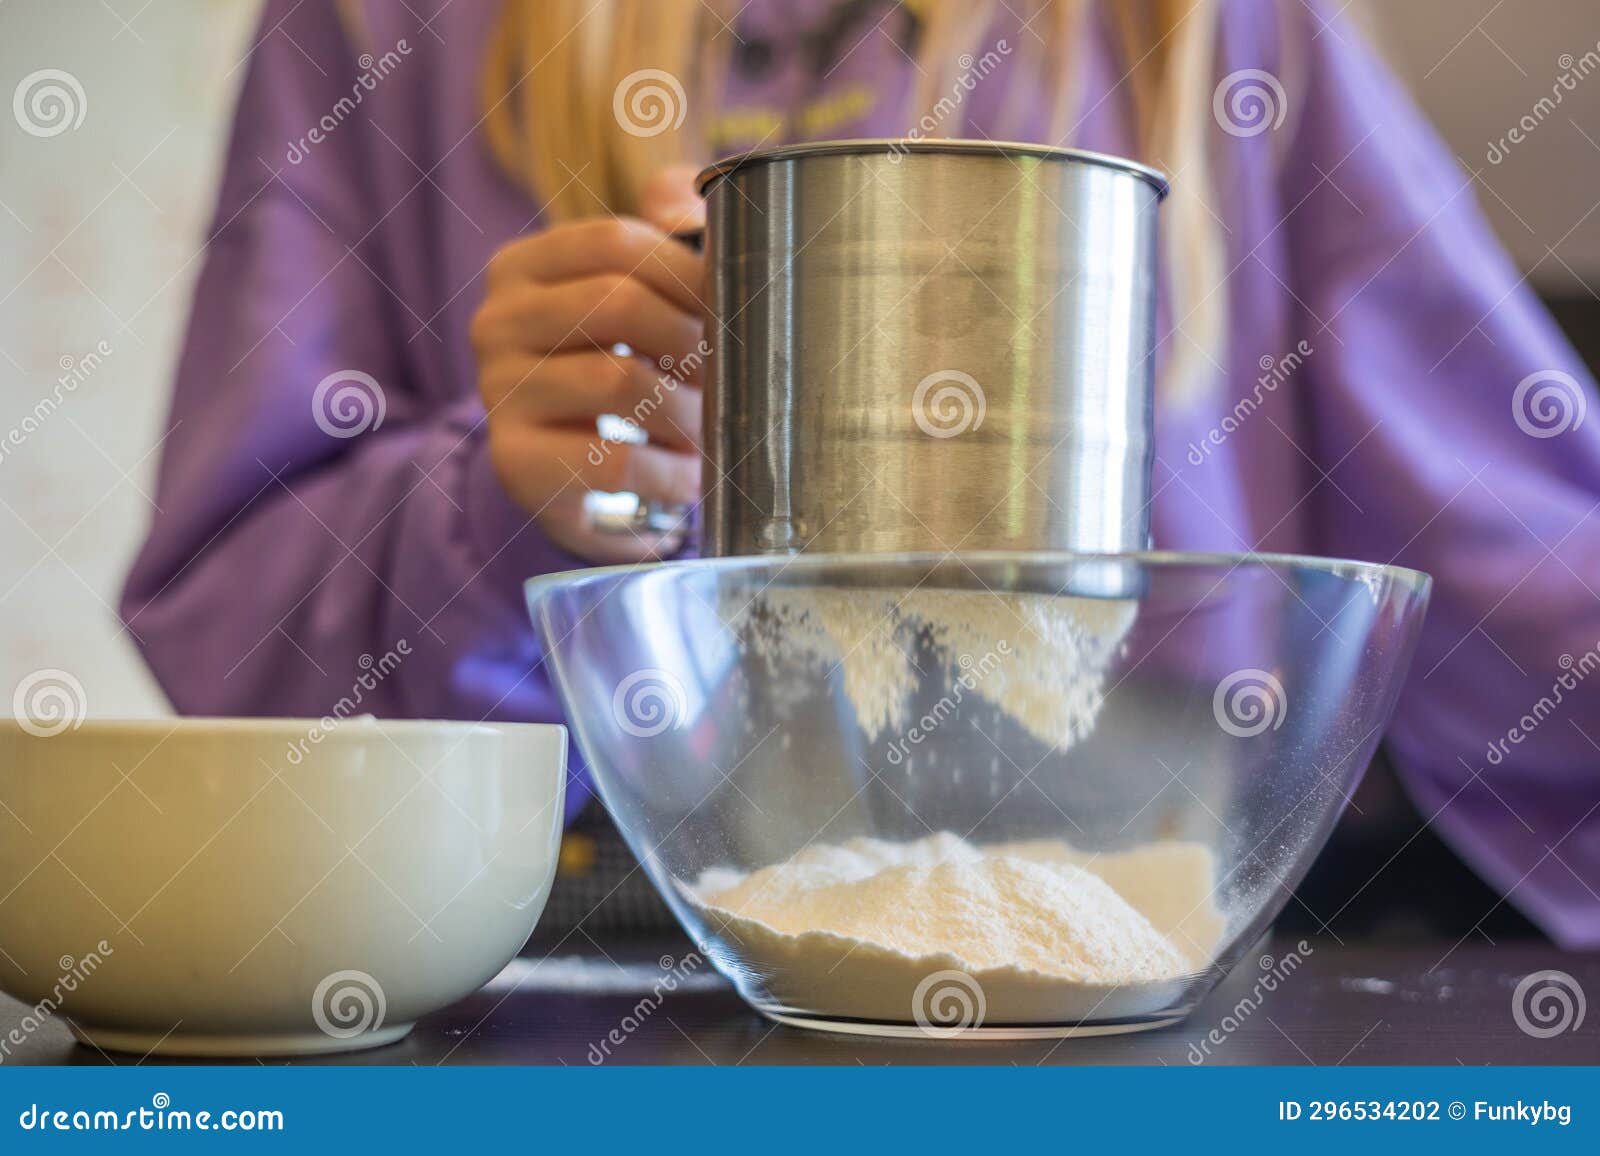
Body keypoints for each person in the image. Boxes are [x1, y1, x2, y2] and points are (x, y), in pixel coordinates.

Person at [122, 0, 1600, 948]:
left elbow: (1518, 561)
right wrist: (510, 510)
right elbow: (245, 689)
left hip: (1145, 926)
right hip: (605, 955)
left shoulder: (1220, 30)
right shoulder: (380, 29)